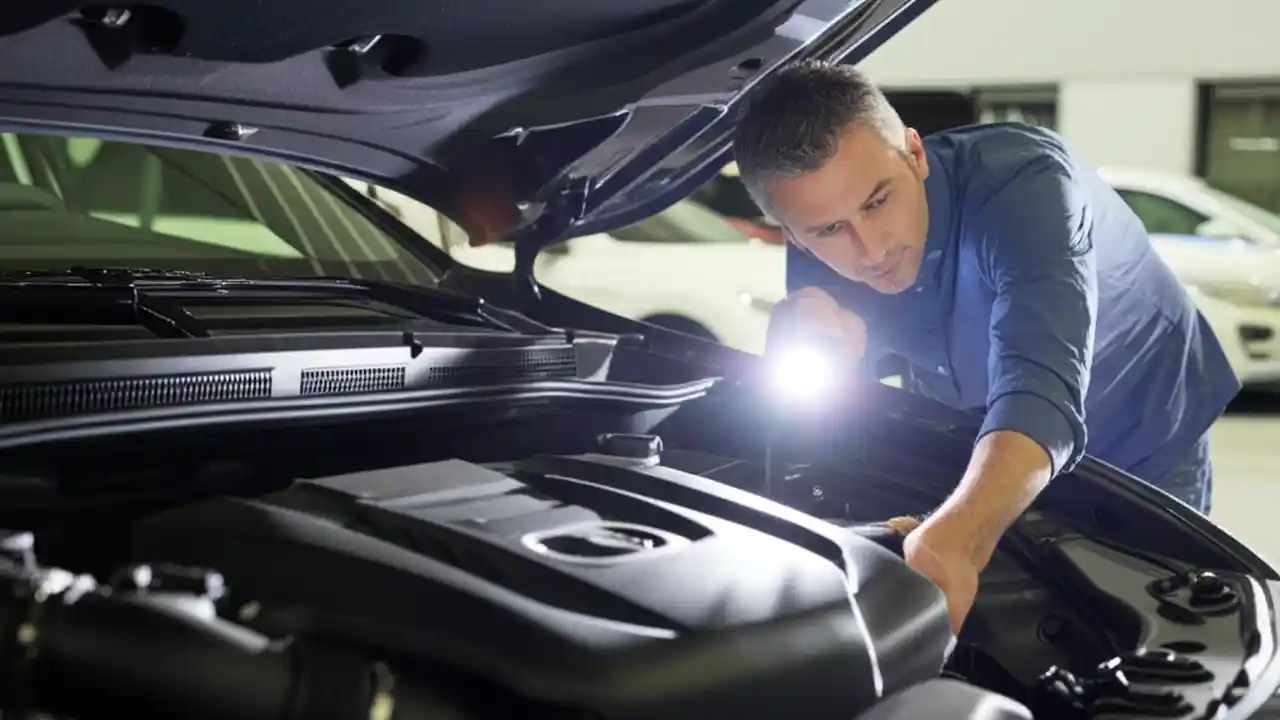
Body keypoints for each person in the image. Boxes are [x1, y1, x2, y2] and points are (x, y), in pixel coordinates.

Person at [732, 61, 1240, 633]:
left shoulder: (1024, 187)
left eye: (877, 202)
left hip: (1139, 424)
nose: (870, 250)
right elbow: (841, 397)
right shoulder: (813, 242)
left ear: (915, 155)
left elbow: (1038, 390)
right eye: (828, 231)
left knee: (1157, 632)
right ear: (789, 232)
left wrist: (956, 539)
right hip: (980, 429)